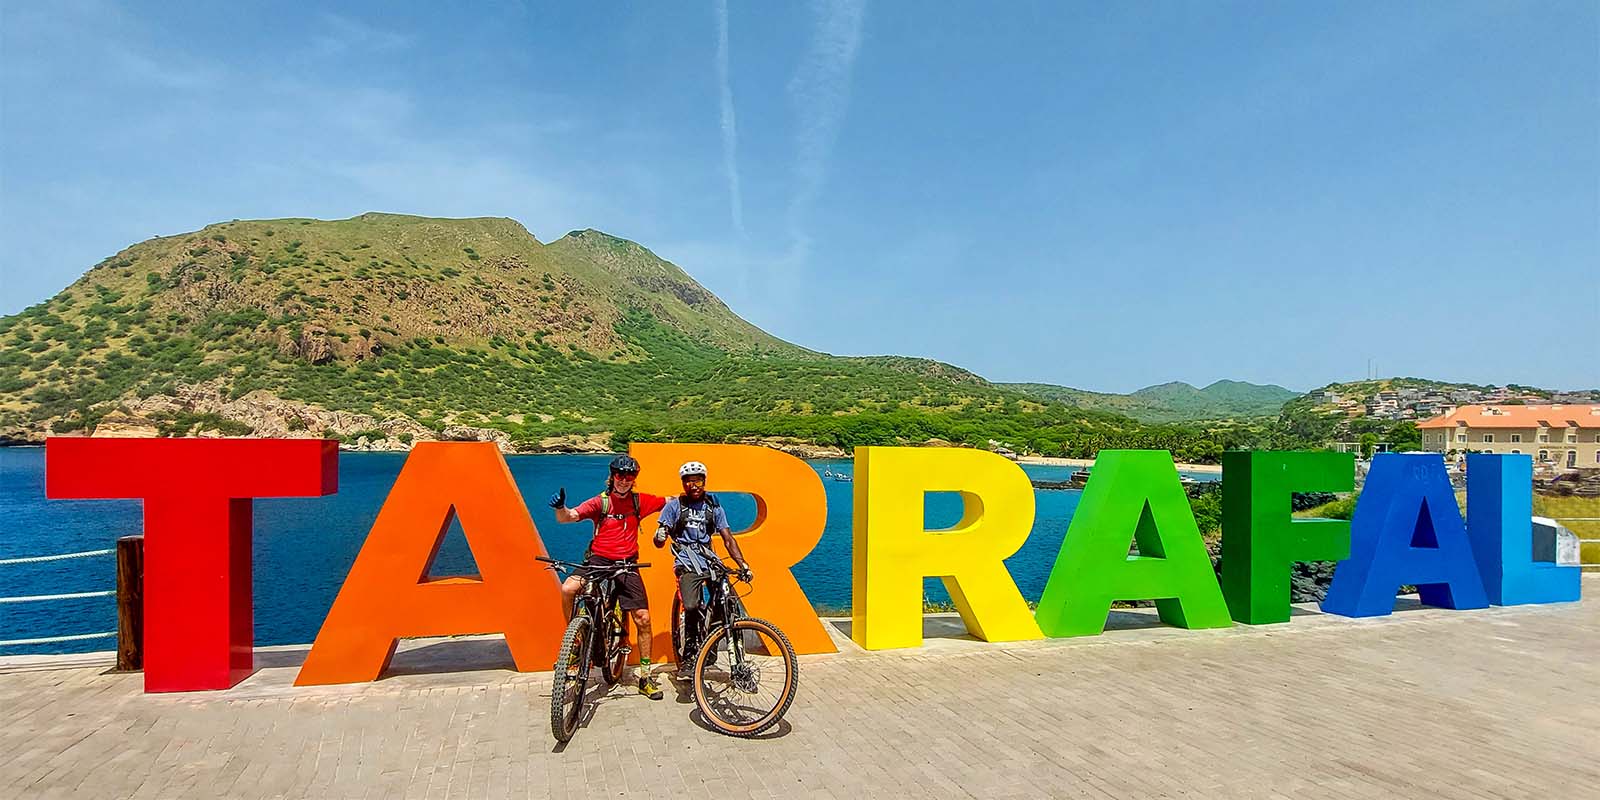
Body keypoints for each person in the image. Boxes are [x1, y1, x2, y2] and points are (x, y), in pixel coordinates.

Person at [548, 454, 667, 700]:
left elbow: (672, 502)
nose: (624, 480)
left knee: (643, 619)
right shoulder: (600, 503)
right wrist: (560, 507)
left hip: (627, 563)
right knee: (568, 589)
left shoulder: (639, 502)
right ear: (612, 477)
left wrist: (691, 506)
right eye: (620, 475)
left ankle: (645, 677)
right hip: (599, 560)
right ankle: (576, 641)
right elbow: (567, 517)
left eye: (630, 476)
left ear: (634, 479)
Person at [651, 461, 752, 676]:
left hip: (709, 560)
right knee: (691, 606)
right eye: (688, 481)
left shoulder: (713, 506)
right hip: (686, 562)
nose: (693, 485)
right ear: (683, 483)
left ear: (704, 482)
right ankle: (689, 656)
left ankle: (736, 664)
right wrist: (659, 536)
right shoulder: (674, 506)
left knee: (729, 605)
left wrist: (742, 564)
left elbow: (727, 538)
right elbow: (660, 538)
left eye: (697, 480)